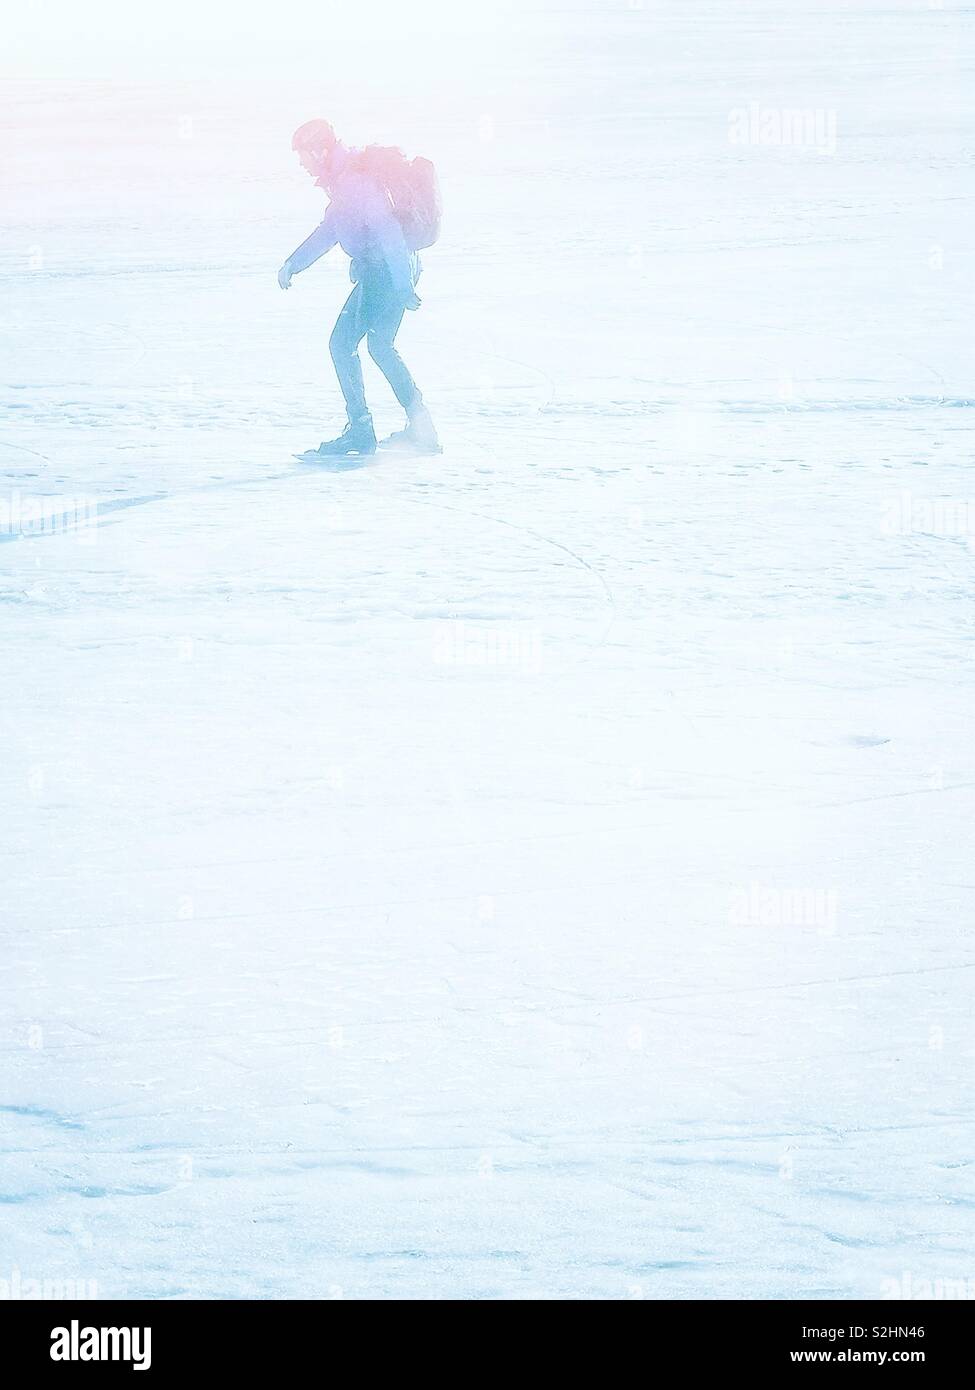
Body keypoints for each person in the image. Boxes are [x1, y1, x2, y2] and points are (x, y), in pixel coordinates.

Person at [278, 119, 440, 456]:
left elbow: (387, 230)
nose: (302, 164)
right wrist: (295, 262)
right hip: (395, 268)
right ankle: (422, 427)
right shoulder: (344, 180)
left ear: (320, 149)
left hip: (385, 272)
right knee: (380, 346)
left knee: (341, 345)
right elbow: (330, 230)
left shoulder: (353, 182)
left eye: (304, 155)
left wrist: (401, 284)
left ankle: (361, 430)